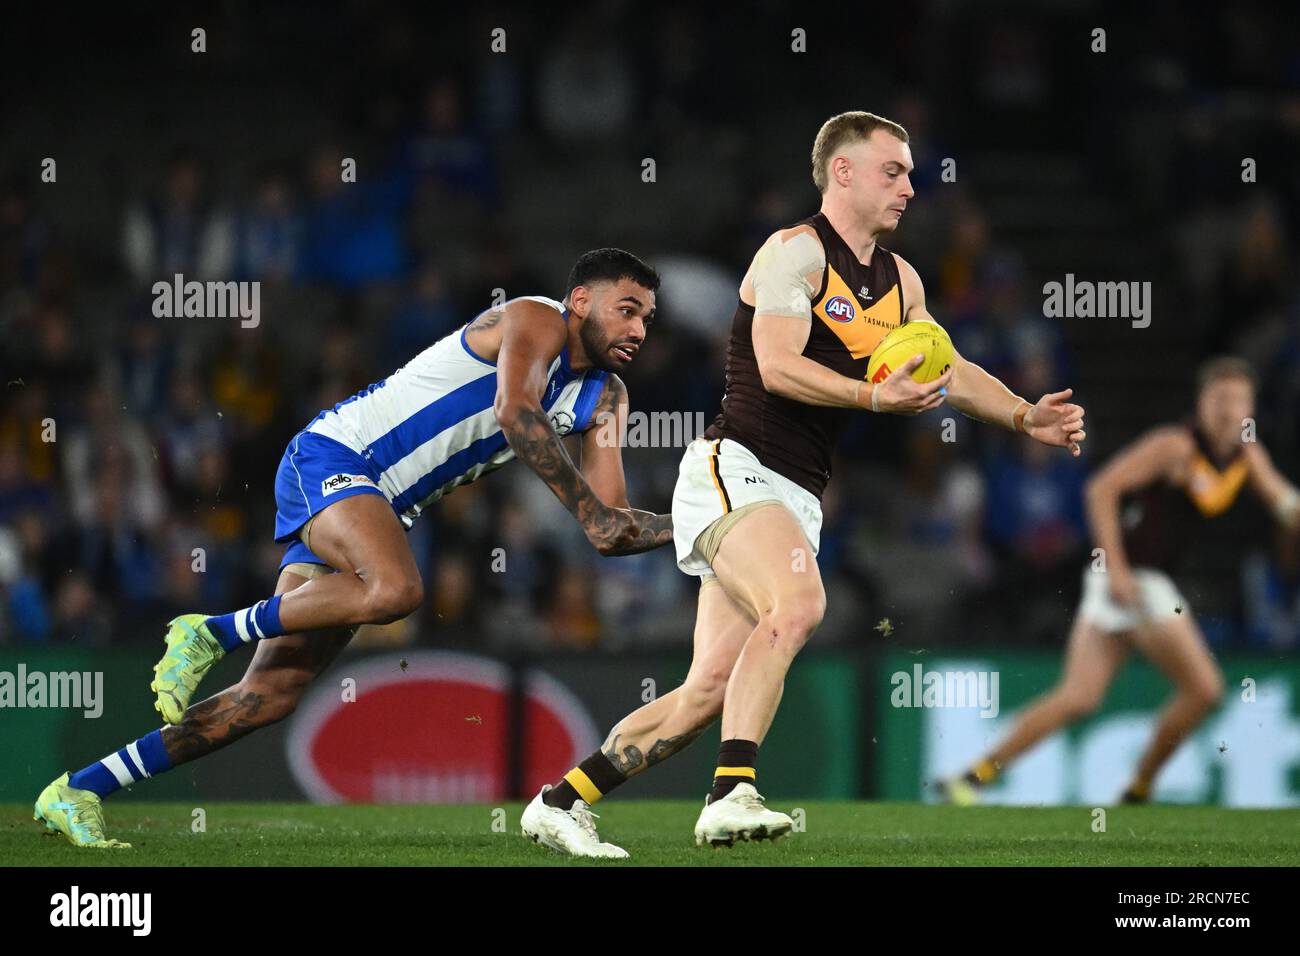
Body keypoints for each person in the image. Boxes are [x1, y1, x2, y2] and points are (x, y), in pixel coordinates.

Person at [522, 112, 1086, 857]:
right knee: (800, 602)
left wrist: (1022, 415)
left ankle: (559, 802)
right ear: (843, 173)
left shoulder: (900, 280)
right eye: (895, 170)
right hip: (735, 468)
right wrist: (874, 398)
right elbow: (780, 363)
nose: (912, 187)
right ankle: (731, 793)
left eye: (912, 172)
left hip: (793, 495)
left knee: (705, 693)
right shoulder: (793, 253)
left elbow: (943, 368)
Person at [35, 248, 672, 849]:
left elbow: (606, 523)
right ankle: (211, 631)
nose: (640, 328)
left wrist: (689, 524)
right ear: (582, 300)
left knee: (271, 696)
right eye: (627, 309)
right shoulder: (536, 318)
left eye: (648, 316)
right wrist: (592, 510)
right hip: (338, 456)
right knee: (397, 590)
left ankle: (79, 790)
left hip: (379, 505)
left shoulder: (608, 398)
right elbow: (515, 412)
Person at [943, 356, 1300, 805]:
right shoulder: (1175, 446)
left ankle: (974, 775)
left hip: (1138, 581)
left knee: (1079, 698)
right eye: (1220, 399)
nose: (1230, 411)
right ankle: (1140, 786)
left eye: (1239, 401)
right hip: (1134, 577)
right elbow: (1101, 490)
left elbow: (1284, 503)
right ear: (1202, 403)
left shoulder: (1247, 455)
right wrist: (1116, 569)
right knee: (1205, 689)